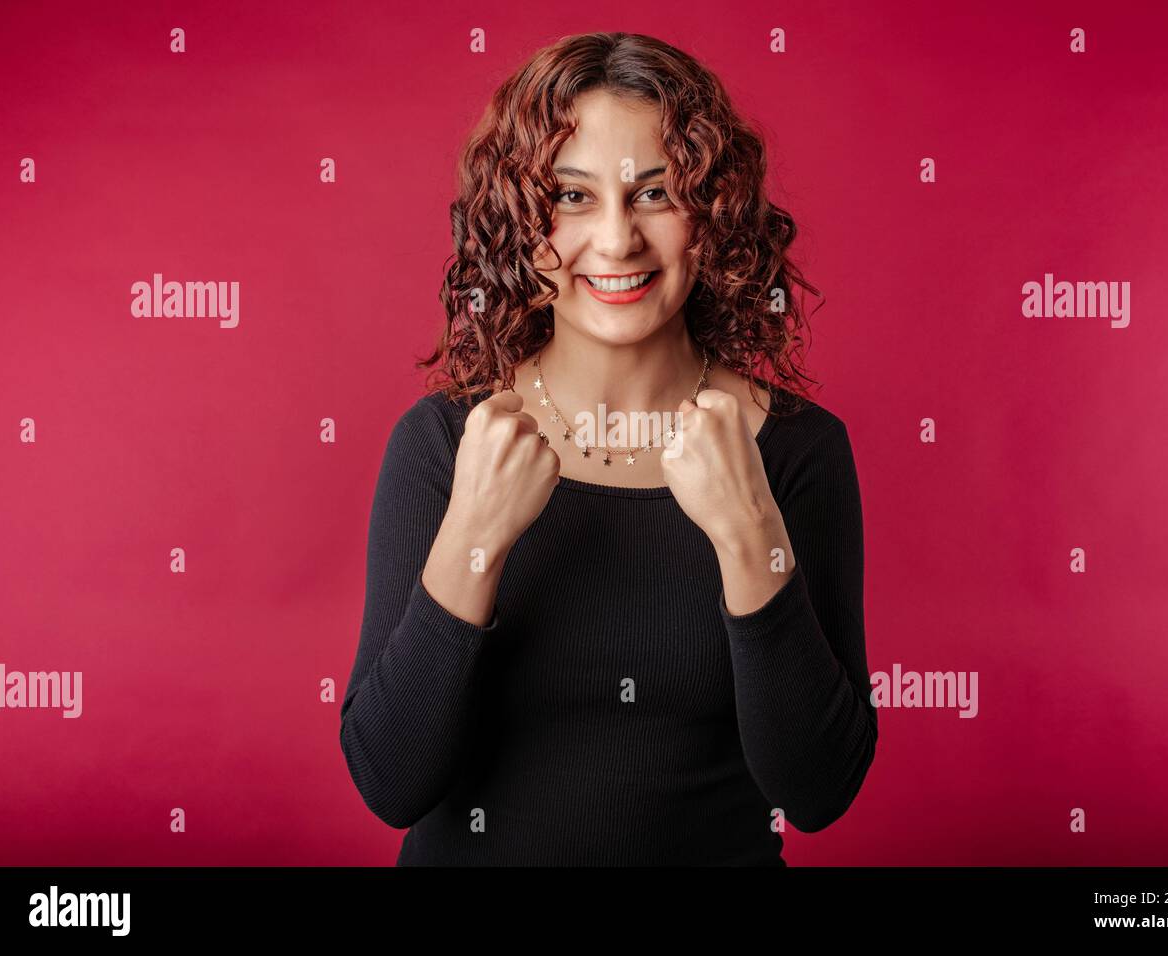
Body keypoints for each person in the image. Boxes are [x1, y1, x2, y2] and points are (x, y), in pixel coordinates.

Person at [340, 31, 877, 866]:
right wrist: (474, 536)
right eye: (573, 196)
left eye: (655, 193)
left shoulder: (797, 453)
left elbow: (817, 792)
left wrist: (748, 532)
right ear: (523, 220)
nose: (618, 240)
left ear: (711, 212)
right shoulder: (444, 443)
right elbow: (390, 780)